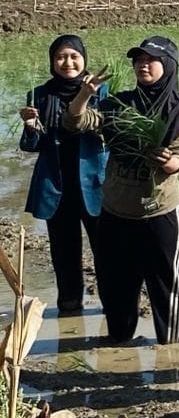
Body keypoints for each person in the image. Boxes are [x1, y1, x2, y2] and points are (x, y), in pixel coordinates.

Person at [64, 35, 179, 345]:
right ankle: (119, 341)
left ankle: (173, 349)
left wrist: (168, 162)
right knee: (114, 284)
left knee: (168, 284)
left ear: (168, 65)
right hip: (115, 210)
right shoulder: (120, 104)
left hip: (159, 212)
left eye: (151, 59)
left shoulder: (177, 108)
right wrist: (84, 94)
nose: (143, 64)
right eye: (139, 60)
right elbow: (76, 122)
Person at [20, 34, 108, 315]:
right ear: (52, 61)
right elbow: (32, 146)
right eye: (60, 57)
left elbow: (110, 135)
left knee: (107, 252)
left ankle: (114, 309)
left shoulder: (101, 92)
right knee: (63, 254)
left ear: (84, 59)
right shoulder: (39, 94)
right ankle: (69, 310)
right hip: (56, 187)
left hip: (95, 186)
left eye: (73, 56)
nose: (67, 62)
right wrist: (30, 126)